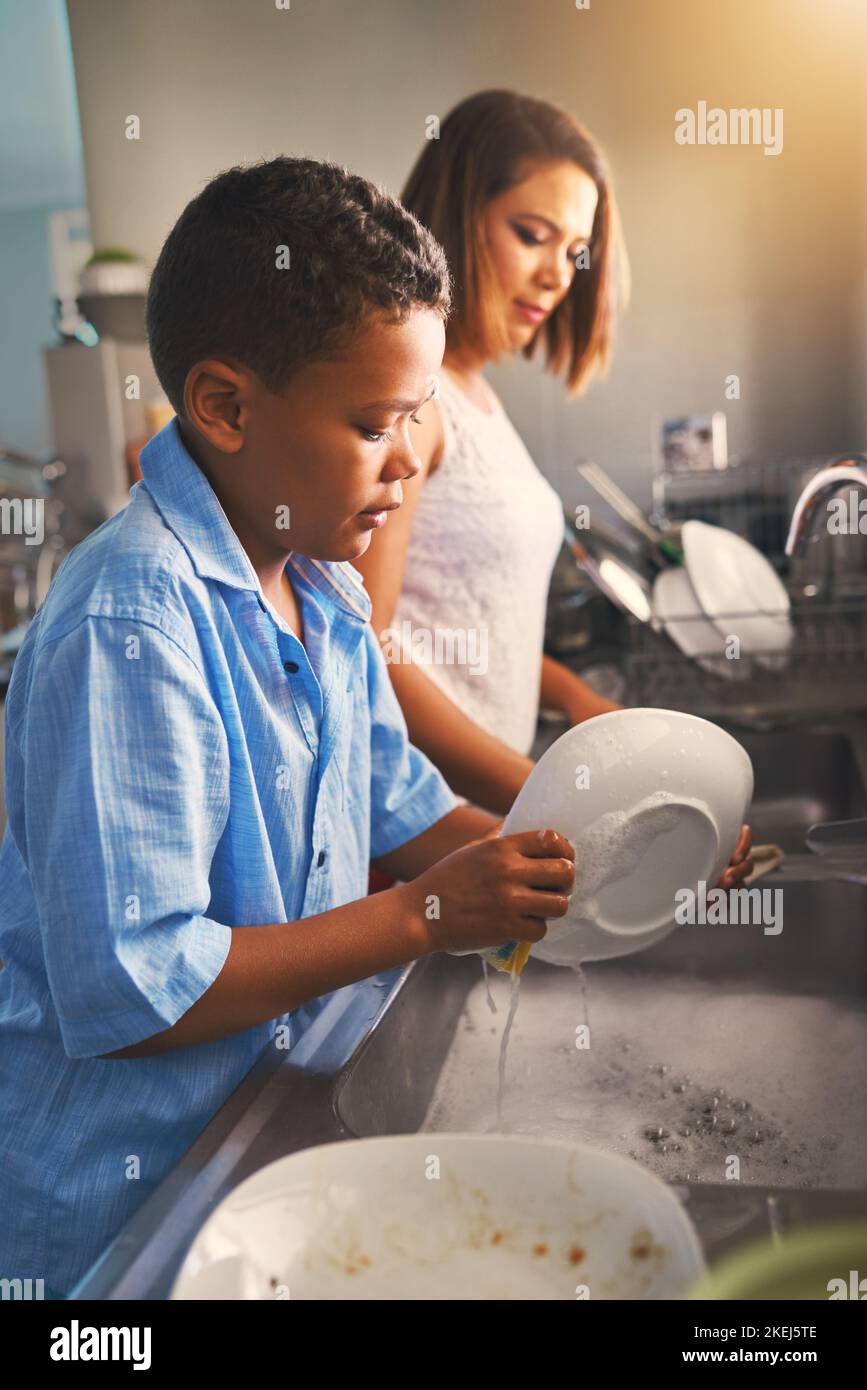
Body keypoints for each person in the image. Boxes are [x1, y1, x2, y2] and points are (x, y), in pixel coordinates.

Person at [0, 157, 576, 1297]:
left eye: (416, 417)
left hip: (258, 1143)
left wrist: (574, 851)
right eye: (375, 423)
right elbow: (138, 982)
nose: (410, 462)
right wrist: (424, 915)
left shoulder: (319, 588)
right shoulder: (133, 623)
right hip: (122, 1216)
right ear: (222, 405)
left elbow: (402, 804)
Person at [356, 90, 753, 872]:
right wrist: (546, 791)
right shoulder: (415, 401)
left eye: (573, 251)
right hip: (425, 837)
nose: (555, 275)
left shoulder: (479, 399)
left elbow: (462, 624)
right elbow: (362, 647)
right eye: (530, 235)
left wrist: (568, 696)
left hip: (486, 820)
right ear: (453, 214)